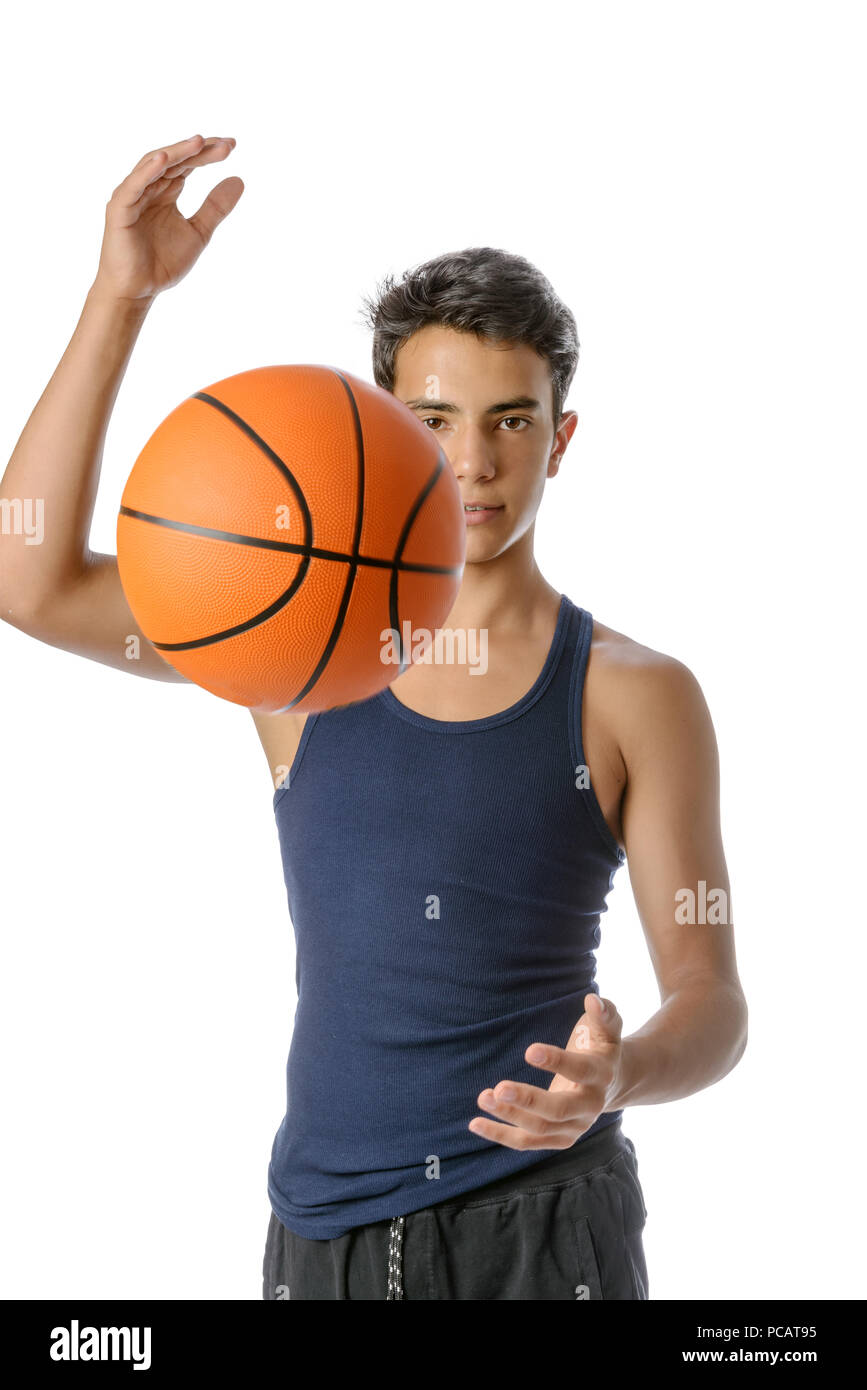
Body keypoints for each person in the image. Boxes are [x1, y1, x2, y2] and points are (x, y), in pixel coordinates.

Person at [0, 133, 748, 1301]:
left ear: (562, 437)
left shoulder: (632, 690)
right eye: (437, 419)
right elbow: (27, 580)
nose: (476, 461)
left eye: (512, 420)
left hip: (542, 1227)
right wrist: (120, 297)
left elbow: (714, 998)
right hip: (320, 1233)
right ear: (387, 424)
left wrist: (621, 1074)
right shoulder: (292, 647)